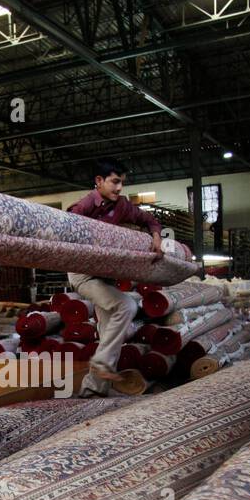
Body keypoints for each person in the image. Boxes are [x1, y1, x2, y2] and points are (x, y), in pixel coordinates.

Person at [66, 158, 164, 395]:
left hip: (105, 277)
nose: (119, 188)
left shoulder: (121, 205)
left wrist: (156, 236)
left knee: (111, 334)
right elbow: (67, 223)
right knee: (127, 306)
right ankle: (100, 364)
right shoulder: (87, 203)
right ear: (99, 181)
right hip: (83, 274)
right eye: (115, 182)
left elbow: (149, 220)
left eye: (122, 183)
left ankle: (92, 390)